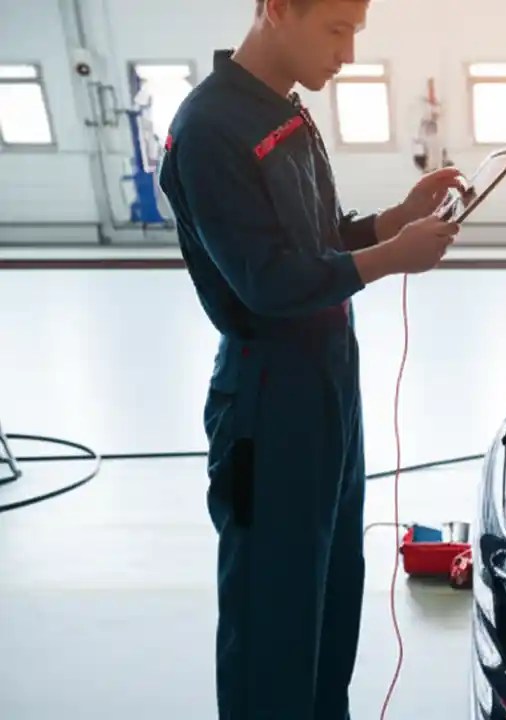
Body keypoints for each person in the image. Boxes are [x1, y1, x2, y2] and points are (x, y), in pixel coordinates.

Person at [157, 0, 465, 717]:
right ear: (275, 10)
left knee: (331, 598)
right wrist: (391, 258)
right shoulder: (209, 129)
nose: (347, 53)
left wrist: (394, 219)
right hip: (270, 404)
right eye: (335, 29)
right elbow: (266, 282)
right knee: (275, 622)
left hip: (329, 388)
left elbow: (318, 240)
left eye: (355, 31)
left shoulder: (285, 112)